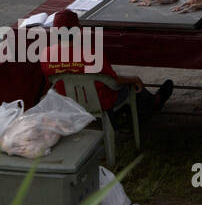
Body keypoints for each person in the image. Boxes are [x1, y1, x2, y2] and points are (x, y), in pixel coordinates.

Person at [42, 10, 173, 123]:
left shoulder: (46, 54)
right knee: (129, 85)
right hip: (100, 103)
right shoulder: (92, 54)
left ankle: (139, 107)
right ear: (79, 31)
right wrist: (134, 78)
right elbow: (113, 80)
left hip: (68, 104)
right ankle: (152, 103)